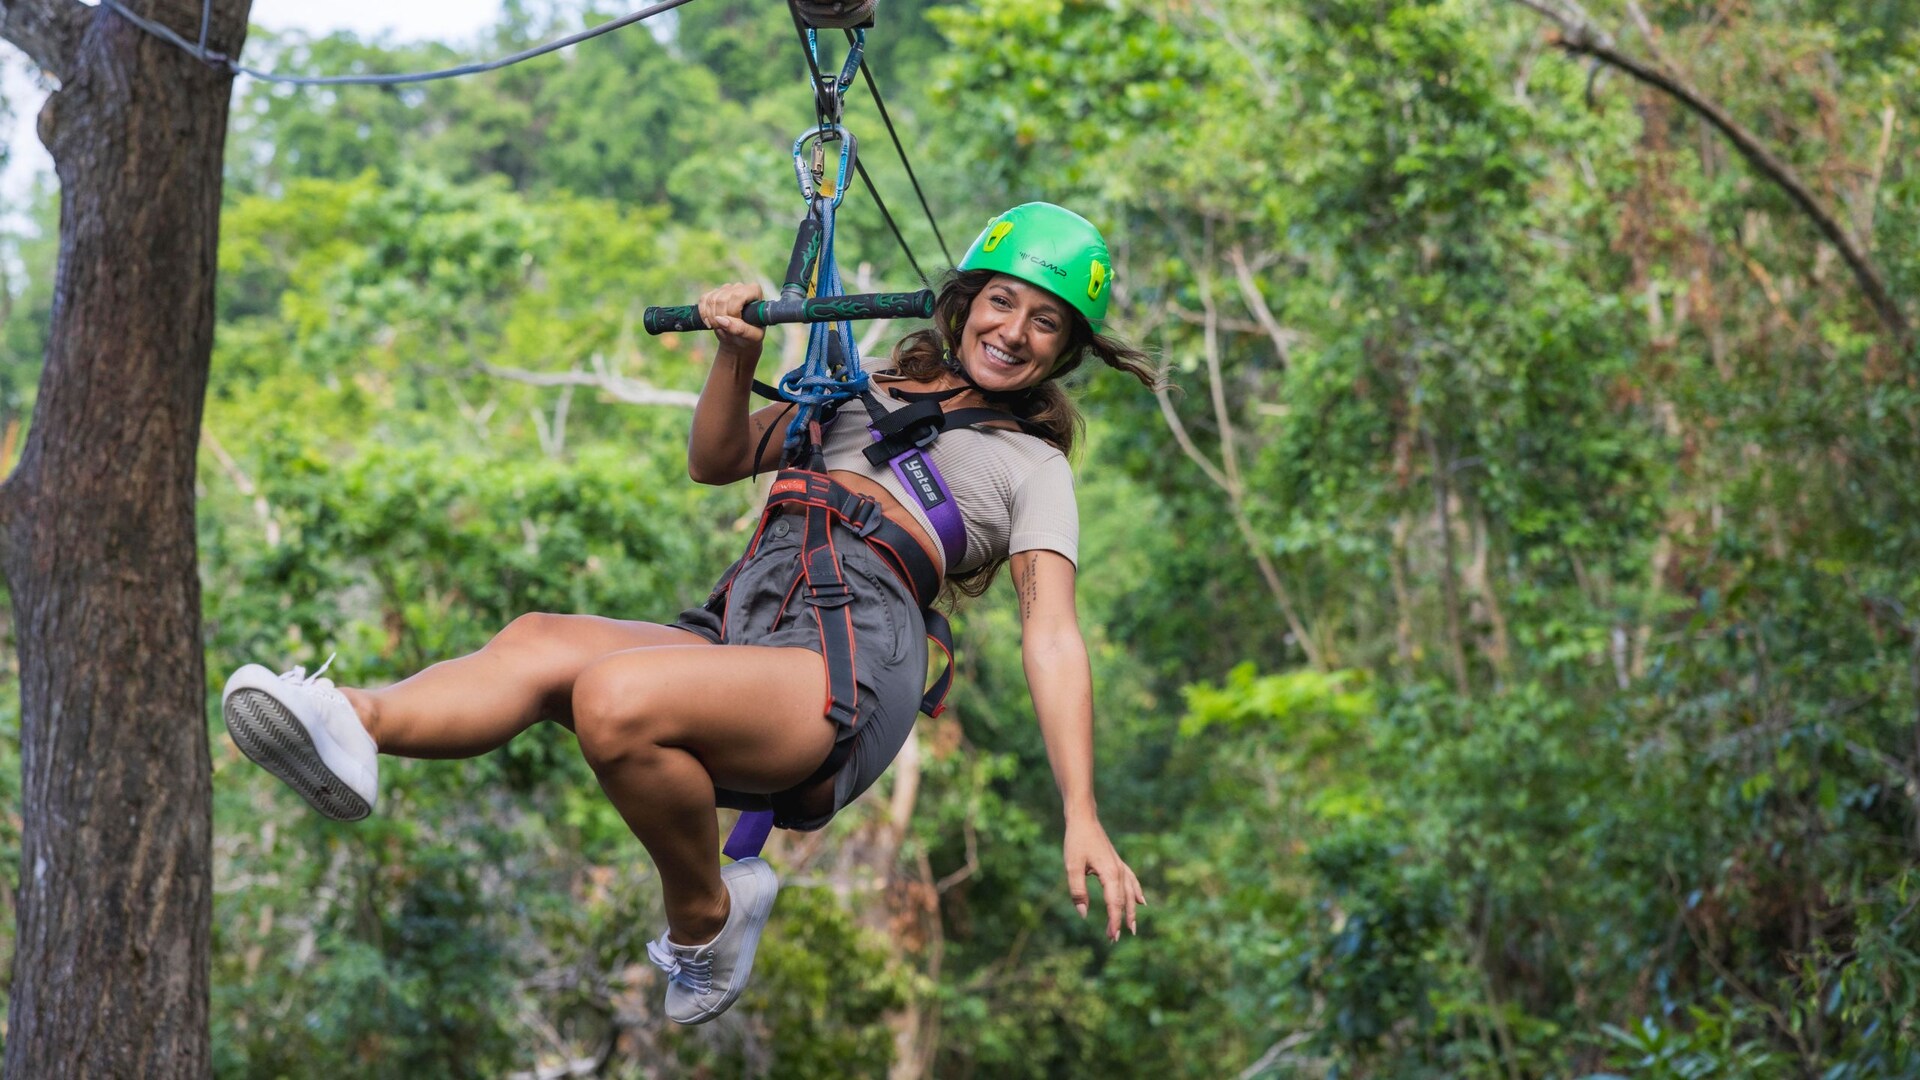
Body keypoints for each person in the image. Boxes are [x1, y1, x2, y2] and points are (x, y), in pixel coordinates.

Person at [221, 202, 1154, 1026]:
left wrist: (1082, 810)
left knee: (618, 697)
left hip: (855, 661)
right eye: (1003, 302)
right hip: (750, 619)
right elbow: (717, 458)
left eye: (1047, 324)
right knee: (542, 642)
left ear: (1065, 354)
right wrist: (736, 354)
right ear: (965, 302)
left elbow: (1054, 636)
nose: (1015, 331)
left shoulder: (1036, 468)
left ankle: (705, 913)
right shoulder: (863, 383)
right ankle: (352, 721)